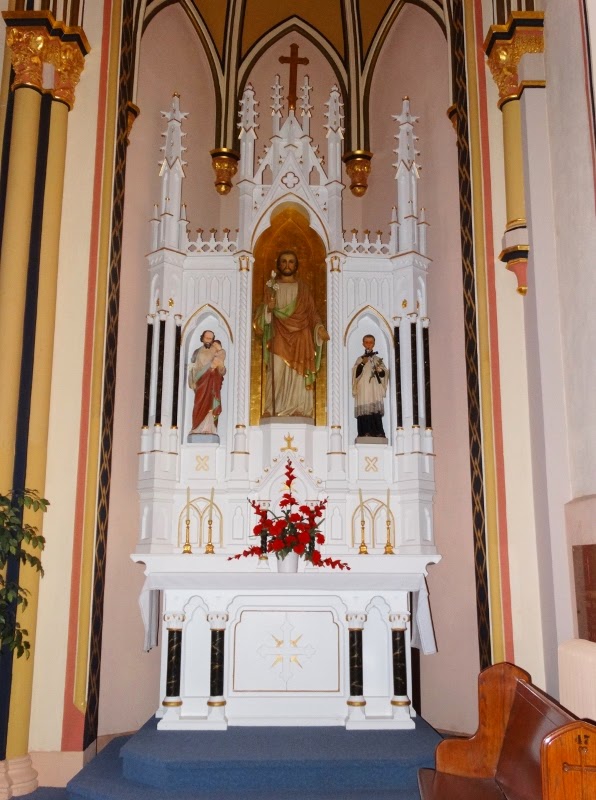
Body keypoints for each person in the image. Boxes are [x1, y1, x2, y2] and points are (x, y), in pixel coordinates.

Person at [254, 250, 329, 418]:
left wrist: (319, 328)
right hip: (278, 335)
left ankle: (299, 409)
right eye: (284, 261)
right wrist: (269, 309)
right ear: (279, 265)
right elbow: (260, 317)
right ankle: (272, 409)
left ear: (296, 266)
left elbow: (312, 313)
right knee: (276, 371)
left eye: (291, 262)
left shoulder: (303, 288)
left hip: (301, 337)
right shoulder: (272, 287)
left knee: (298, 375)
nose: (287, 265)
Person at [188, 330, 226, 435]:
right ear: (202, 338)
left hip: (212, 382)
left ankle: (210, 429)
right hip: (200, 383)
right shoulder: (197, 352)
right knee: (199, 404)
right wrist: (192, 381)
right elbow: (192, 368)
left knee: (211, 405)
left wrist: (218, 367)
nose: (209, 340)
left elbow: (222, 370)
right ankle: (196, 428)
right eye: (207, 338)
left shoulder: (217, 351)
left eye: (211, 339)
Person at [352, 334, 389, 438]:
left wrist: (380, 371)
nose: (368, 344)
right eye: (366, 342)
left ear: (374, 344)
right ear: (363, 344)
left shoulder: (377, 359)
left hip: (374, 389)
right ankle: (364, 432)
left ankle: (378, 431)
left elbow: (384, 373)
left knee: (374, 409)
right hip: (363, 388)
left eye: (371, 342)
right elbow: (355, 374)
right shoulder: (360, 359)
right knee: (365, 408)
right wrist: (363, 364)